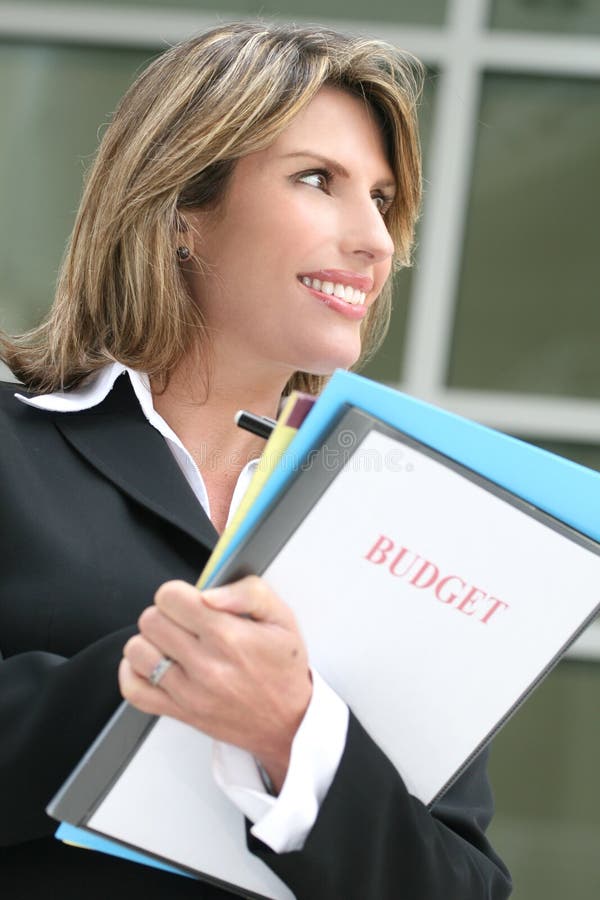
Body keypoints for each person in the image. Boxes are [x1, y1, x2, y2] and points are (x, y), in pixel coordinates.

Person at [0, 22, 512, 900]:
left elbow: (463, 886)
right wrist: (160, 671)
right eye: (317, 179)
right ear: (181, 209)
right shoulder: (16, 449)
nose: (376, 241)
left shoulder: (399, 537)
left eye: (382, 199)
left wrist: (294, 735)